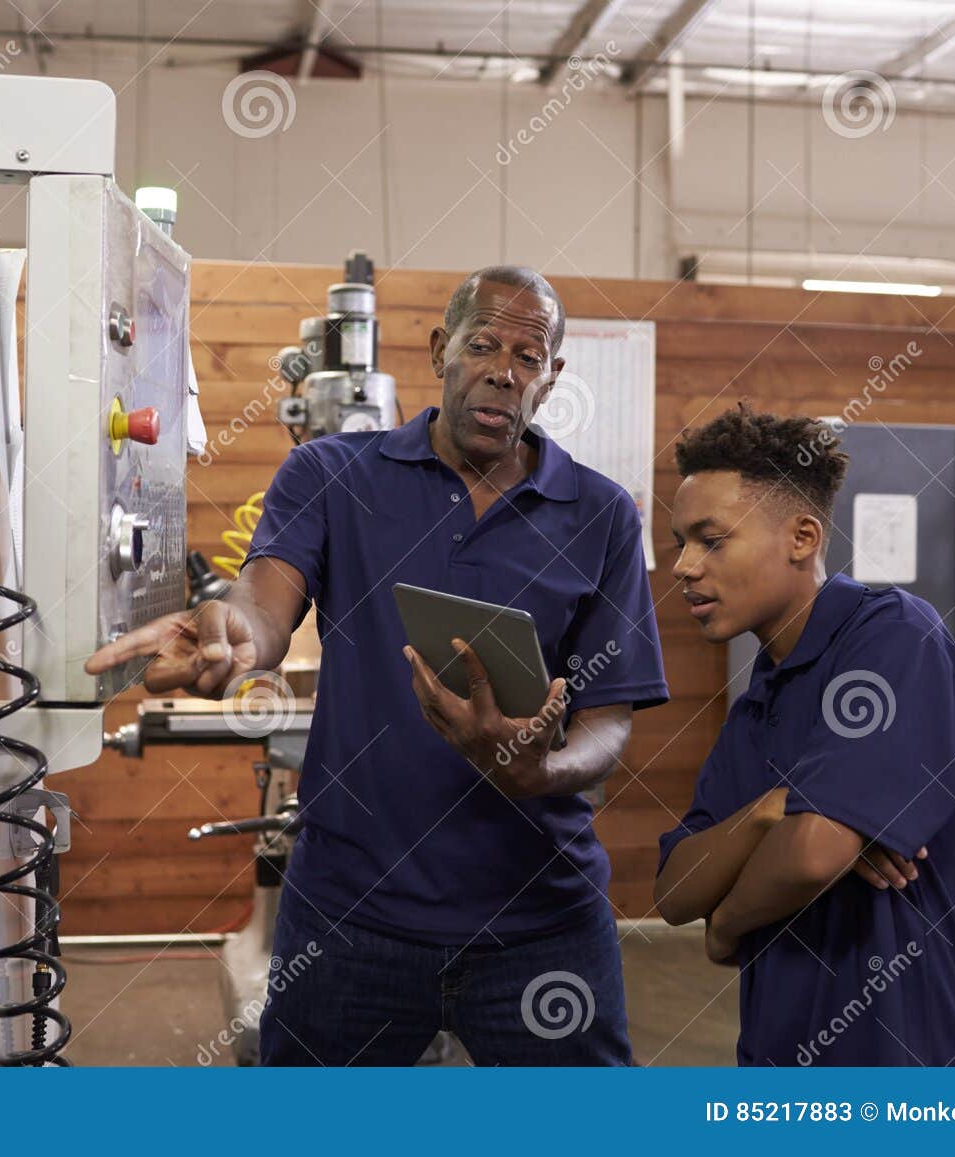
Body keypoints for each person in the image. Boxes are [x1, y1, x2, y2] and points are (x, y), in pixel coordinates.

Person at [88, 266, 668, 1065]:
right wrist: (232, 632)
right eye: (483, 344)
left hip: (539, 918)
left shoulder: (600, 514)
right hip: (349, 918)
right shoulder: (331, 475)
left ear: (552, 376)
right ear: (440, 350)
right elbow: (264, 601)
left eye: (530, 356)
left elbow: (610, 720)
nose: (505, 369)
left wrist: (542, 768)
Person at [654, 406, 955, 1066]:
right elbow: (674, 889)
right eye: (679, 543)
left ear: (802, 536)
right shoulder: (761, 702)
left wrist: (727, 920)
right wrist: (768, 812)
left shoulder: (896, 637)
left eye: (711, 539)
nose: (684, 567)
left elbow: (813, 851)